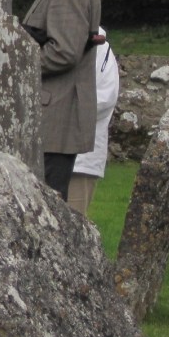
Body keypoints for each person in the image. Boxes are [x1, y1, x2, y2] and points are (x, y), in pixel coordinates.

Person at [20, 0, 102, 201]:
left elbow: (64, 52)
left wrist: (15, 63)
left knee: (47, 215)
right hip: (50, 121)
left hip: (54, 120)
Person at [68, 25, 119, 215]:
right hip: (42, 156)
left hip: (80, 160)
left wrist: (56, 109)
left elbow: (104, 98)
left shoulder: (100, 48)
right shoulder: (45, 36)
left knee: (72, 225)